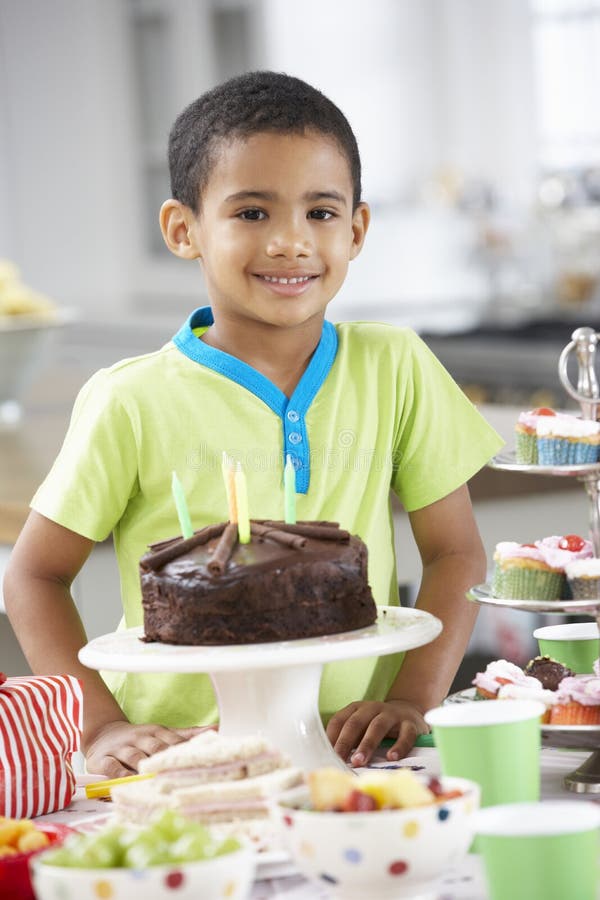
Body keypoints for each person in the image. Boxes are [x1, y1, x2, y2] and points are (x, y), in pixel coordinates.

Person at [3, 71, 503, 777]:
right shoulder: (129, 400)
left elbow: (457, 555)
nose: (291, 243)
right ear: (185, 229)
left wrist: (414, 698)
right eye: (251, 214)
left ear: (357, 229)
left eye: (321, 213)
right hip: (183, 762)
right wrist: (102, 724)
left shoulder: (396, 366)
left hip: (350, 757)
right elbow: (32, 577)